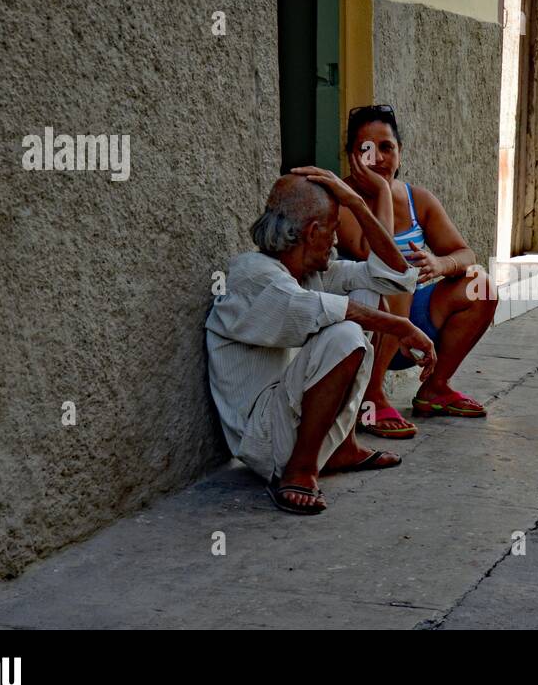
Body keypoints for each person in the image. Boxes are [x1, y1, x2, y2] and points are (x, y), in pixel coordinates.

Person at [205, 163, 437, 515]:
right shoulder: (251, 275)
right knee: (345, 331)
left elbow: (395, 277)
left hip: (290, 417)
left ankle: (342, 445)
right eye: (332, 230)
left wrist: (359, 204)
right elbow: (325, 310)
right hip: (266, 441)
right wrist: (401, 327)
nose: (336, 241)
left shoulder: (309, 272)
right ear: (313, 232)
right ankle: (300, 469)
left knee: (368, 294)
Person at [338, 104, 498, 439]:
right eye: (365, 149)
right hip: (367, 326)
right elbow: (376, 258)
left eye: (386, 147)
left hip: (415, 326)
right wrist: (381, 191)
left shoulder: (417, 199)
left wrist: (442, 264)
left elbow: (465, 253)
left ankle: (435, 388)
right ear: (351, 156)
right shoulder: (343, 200)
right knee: (395, 277)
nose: (378, 158)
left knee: (480, 286)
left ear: (400, 151)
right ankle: (372, 396)